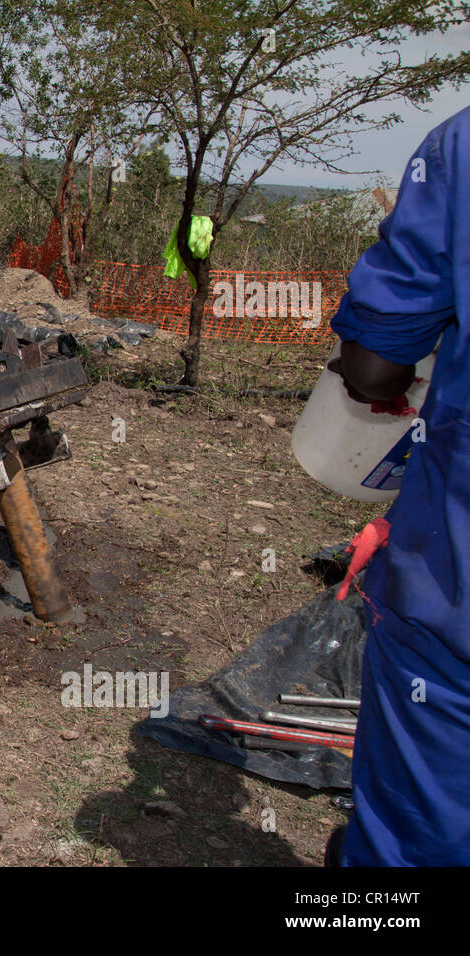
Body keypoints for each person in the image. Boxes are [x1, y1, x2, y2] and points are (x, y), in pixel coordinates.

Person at [327, 106, 468, 864]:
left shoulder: (461, 147)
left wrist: (366, 361)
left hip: (457, 595)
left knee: (420, 834)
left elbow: (376, 364)